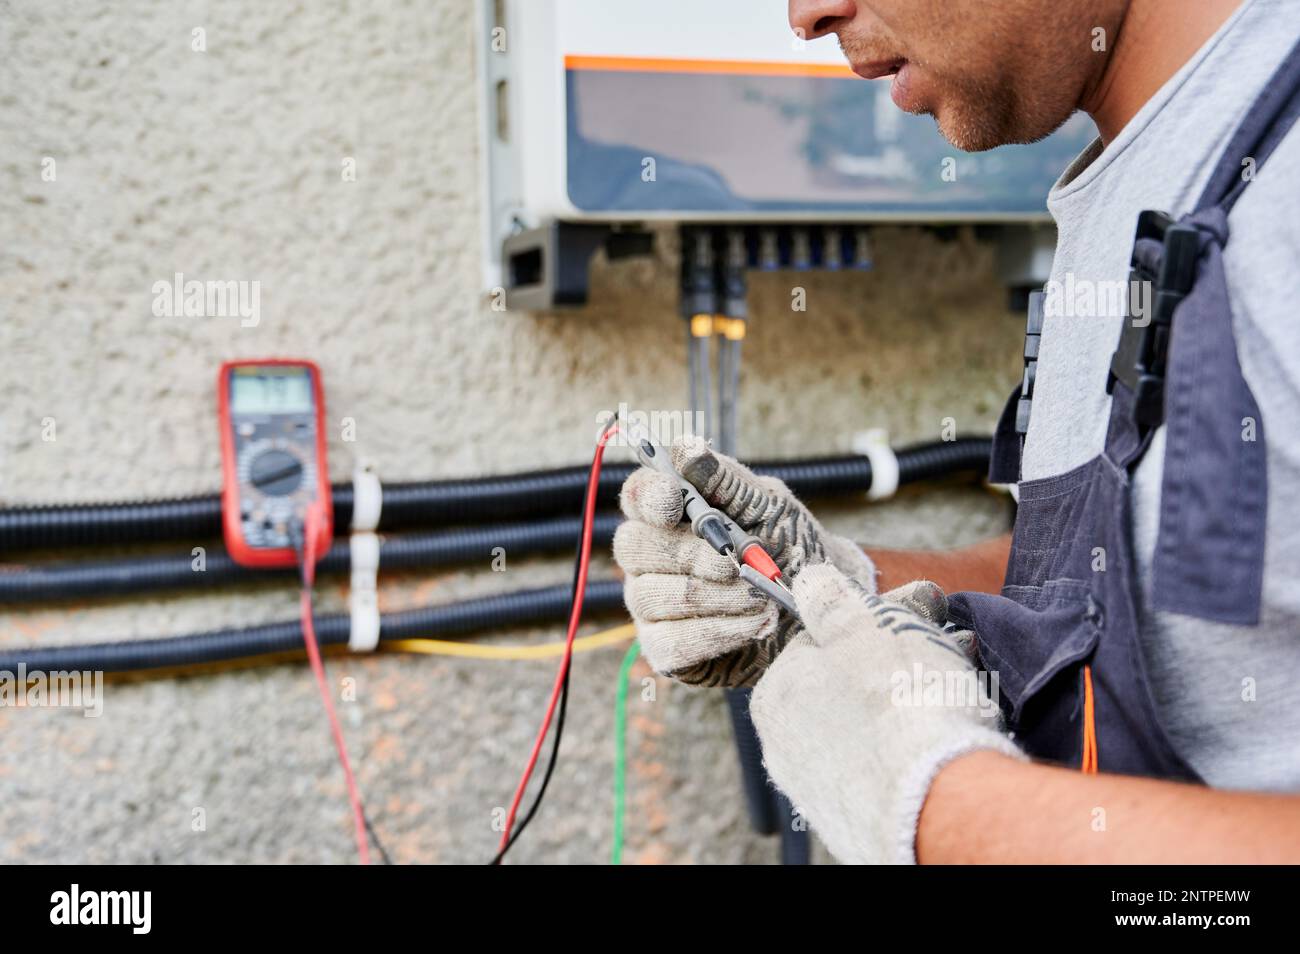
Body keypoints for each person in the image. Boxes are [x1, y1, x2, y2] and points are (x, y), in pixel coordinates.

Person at [614, 0, 1300, 863]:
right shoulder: (1137, 177)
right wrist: (834, 586)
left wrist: (950, 811)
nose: (807, 14)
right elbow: (1094, 588)